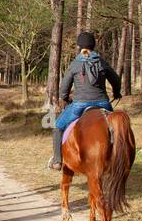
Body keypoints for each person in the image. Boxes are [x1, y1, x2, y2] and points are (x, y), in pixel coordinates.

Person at [49, 30, 122, 169]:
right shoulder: (102, 62)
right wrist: (116, 92)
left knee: (58, 126)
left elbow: (64, 87)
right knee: (116, 127)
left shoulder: (75, 64)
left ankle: (57, 160)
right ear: (93, 46)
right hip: (103, 103)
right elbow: (115, 79)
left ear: (79, 46)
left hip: (80, 105)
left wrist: (65, 98)